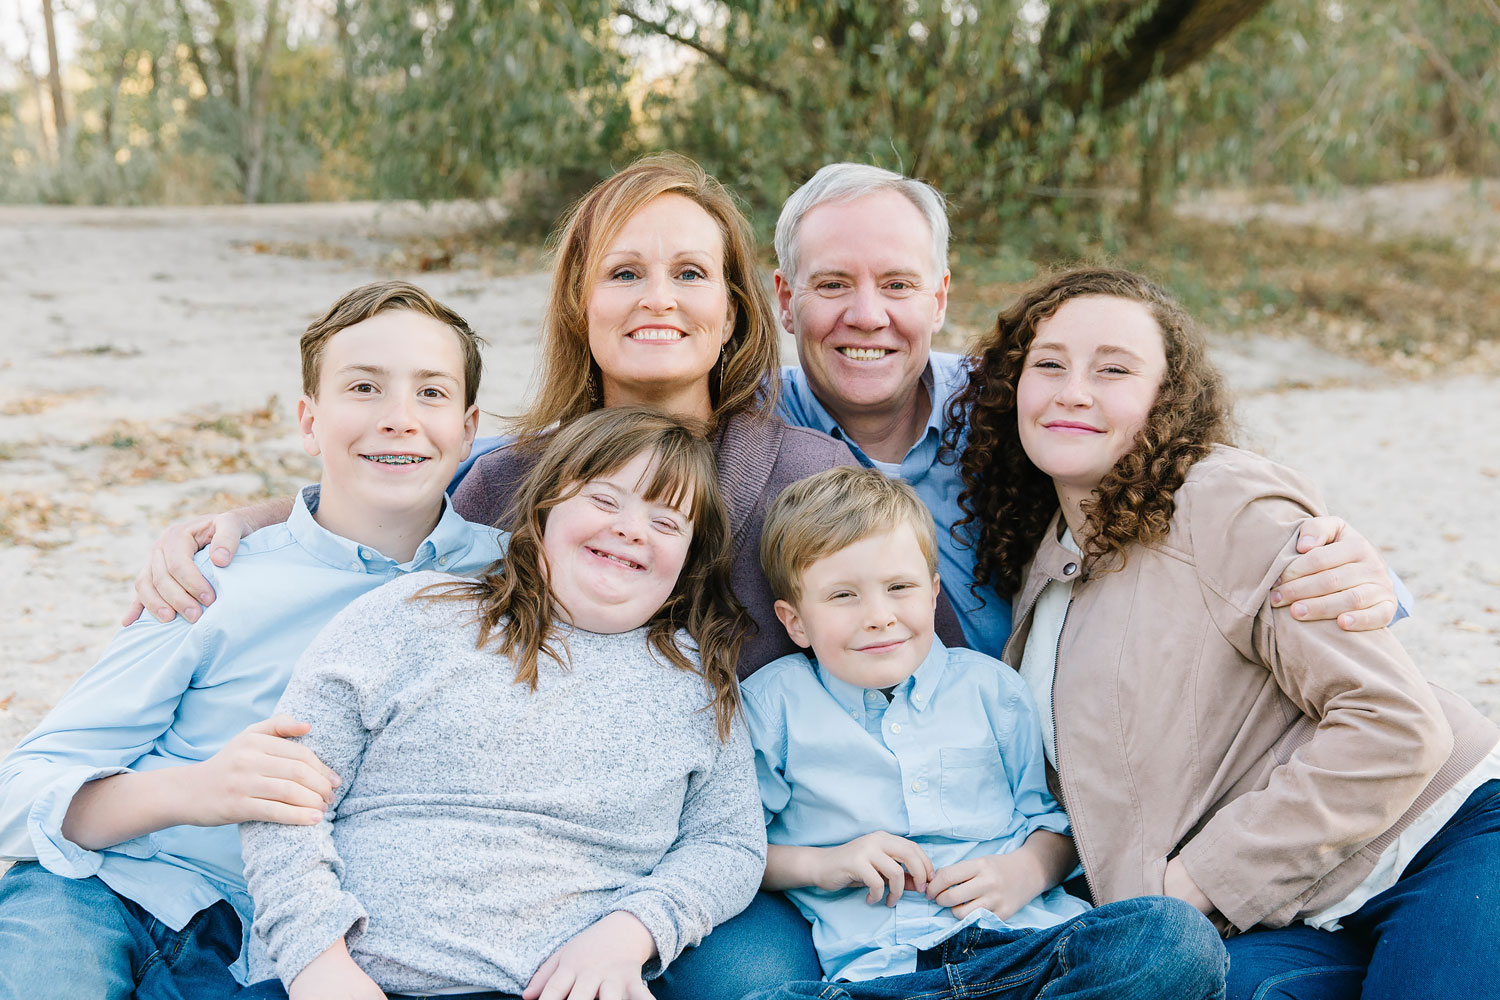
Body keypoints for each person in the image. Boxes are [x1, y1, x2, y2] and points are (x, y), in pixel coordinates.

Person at [123, 155, 858, 996]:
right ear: (580, 303)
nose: (658, 297)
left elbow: (908, 641)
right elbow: (389, 518)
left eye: (690, 273)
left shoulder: (810, 478)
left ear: (733, 310)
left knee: (761, 982)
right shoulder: (505, 479)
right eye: (624, 273)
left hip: (682, 867)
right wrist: (251, 523)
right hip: (428, 900)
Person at [950, 267, 1500, 1000]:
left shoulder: (1219, 502)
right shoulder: (1042, 563)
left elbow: (1395, 723)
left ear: (1165, 399)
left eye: (1113, 369)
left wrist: (1194, 882)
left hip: (1442, 837)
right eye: (1048, 364)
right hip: (1287, 906)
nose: (1073, 391)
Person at [0, 281, 505, 1000]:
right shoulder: (216, 578)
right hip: (120, 891)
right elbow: (19, 795)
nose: (399, 418)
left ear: (468, 428)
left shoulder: (517, 583)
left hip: (301, 943)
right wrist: (195, 790)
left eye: (431, 393)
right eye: (364, 387)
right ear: (309, 421)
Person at [770, 162, 1408, 654]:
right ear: (784, 299)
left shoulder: (1019, 398)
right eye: (832, 284)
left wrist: (1346, 568)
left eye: (897, 284)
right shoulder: (743, 434)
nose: (867, 315)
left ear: (938, 299)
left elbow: (1192, 472)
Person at [239, 406, 766, 1000]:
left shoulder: (696, 681)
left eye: (667, 522)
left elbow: (728, 844)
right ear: (543, 510)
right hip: (348, 977)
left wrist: (632, 932)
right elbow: (279, 794)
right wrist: (318, 962)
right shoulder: (413, 613)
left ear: (690, 560)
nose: (631, 529)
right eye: (604, 499)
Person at [738, 466, 1227, 1000]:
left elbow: (1062, 827)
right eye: (843, 596)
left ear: (932, 593)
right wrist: (824, 863)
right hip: (889, 973)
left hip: (1028, 948)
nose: (879, 616)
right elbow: (736, 849)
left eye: (899, 588)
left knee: (1176, 936)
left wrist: (1024, 872)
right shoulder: (774, 706)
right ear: (795, 621)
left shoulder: (993, 691)